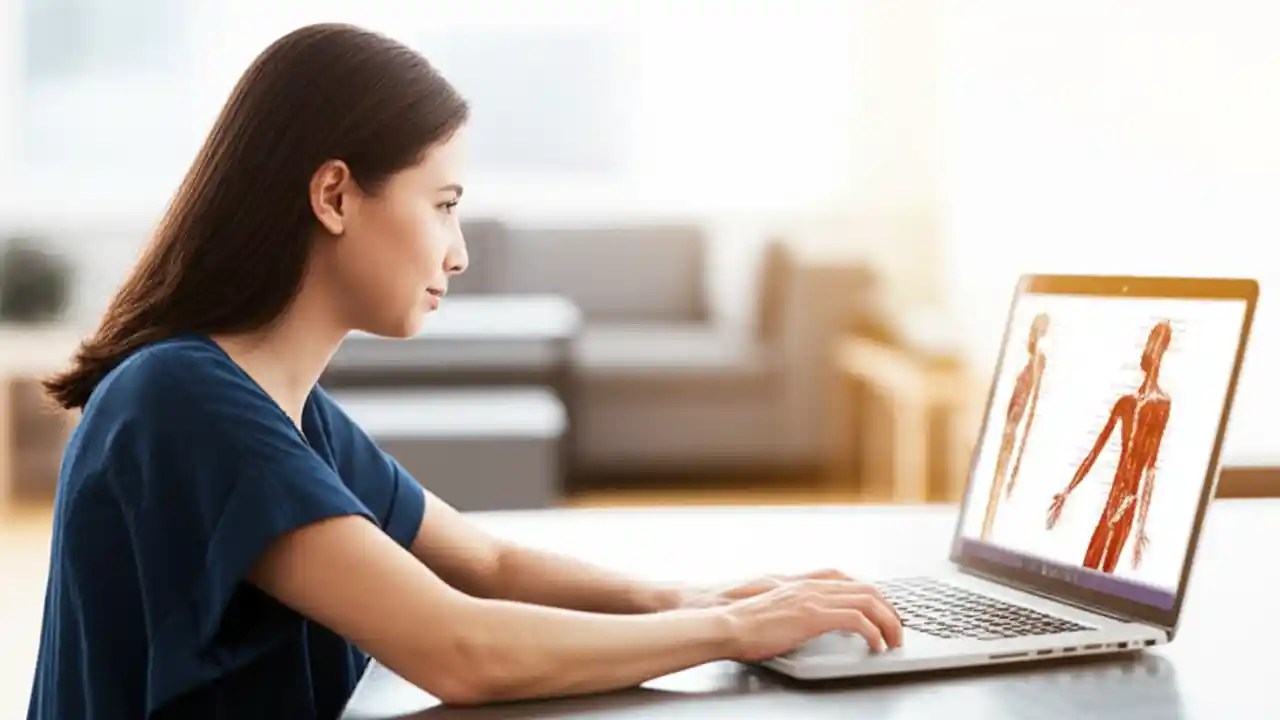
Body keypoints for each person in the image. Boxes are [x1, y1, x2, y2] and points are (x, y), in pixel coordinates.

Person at [26, 23, 901, 719]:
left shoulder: (278, 408)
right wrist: (728, 630)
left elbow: (484, 561)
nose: (459, 254)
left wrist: (689, 594)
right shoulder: (185, 402)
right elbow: (462, 649)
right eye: (442, 206)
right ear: (333, 195)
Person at [1046, 320, 1172, 573]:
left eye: (1156, 343)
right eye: (1149, 342)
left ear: (1162, 351)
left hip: (1129, 500)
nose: (1149, 350)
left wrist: (1140, 527)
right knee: (1090, 563)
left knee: (1107, 569)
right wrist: (1067, 491)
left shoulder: (1161, 405)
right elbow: (1096, 450)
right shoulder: (1125, 402)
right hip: (1115, 495)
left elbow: (1150, 467)